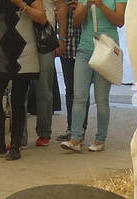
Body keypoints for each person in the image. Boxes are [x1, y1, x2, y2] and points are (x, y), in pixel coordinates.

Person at [0, 0, 48, 160]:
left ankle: (16, 145)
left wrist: (21, 4)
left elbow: (42, 18)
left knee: (17, 101)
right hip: (1, 54)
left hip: (24, 54)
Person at [60, 0, 126, 154]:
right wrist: (86, 5)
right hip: (85, 49)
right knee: (79, 95)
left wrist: (102, 6)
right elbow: (76, 22)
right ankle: (75, 137)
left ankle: (100, 138)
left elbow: (120, 21)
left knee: (101, 99)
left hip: (106, 50)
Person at [56, 0, 87, 144]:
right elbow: (54, 13)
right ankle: (71, 128)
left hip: (84, 44)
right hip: (67, 44)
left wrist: (81, 8)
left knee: (81, 90)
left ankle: (81, 129)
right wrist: (64, 11)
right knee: (70, 89)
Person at [32, 3, 63, 145]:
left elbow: (61, 6)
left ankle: (44, 132)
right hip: (20, 36)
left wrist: (61, 38)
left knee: (44, 88)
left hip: (45, 35)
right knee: (18, 89)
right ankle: (19, 137)